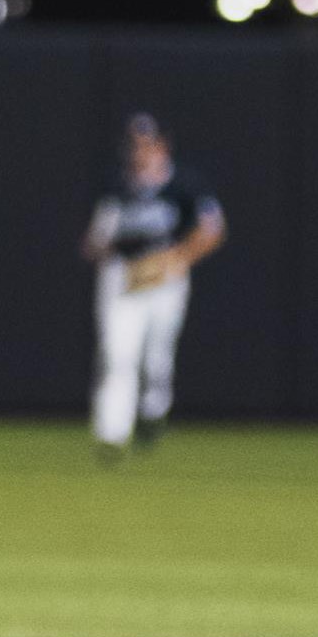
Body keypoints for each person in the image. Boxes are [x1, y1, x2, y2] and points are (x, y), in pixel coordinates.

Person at [80, 112, 224, 461]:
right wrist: (106, 251)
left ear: (163, 145)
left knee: (157, 357)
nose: (140, 151)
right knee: (118, 354)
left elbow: (213, 230)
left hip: (166, 276)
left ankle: (153, 410)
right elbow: (94, 243)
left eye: (147, 144)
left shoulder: (185, 185)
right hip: (125, 276)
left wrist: (177, 257)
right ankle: (113, 433)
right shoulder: (116, 187)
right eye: (135, 145)